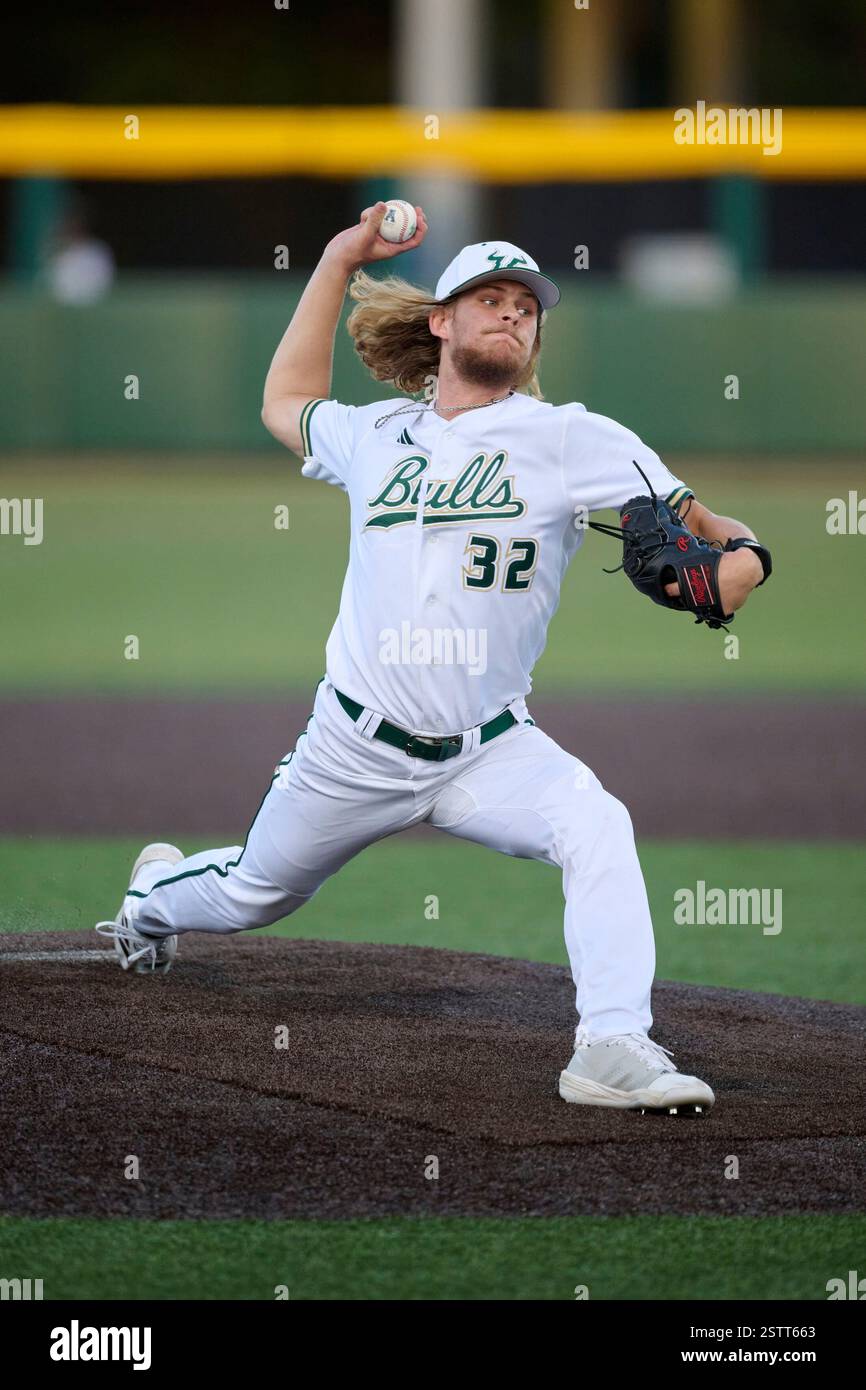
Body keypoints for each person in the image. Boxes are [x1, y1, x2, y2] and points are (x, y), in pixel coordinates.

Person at [97, 203, 768, 1114]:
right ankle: (148, 901)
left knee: (597, 825)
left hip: (489, 748)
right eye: (489, 299)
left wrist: (747, 561)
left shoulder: (575, 439)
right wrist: (337, 257)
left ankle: (612, 1045)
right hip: (352, 745)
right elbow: (284, 403)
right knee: (254, 893)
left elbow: (709, 531)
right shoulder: (376, 437)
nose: (512, 315)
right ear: (441, 322)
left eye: (527, 307)